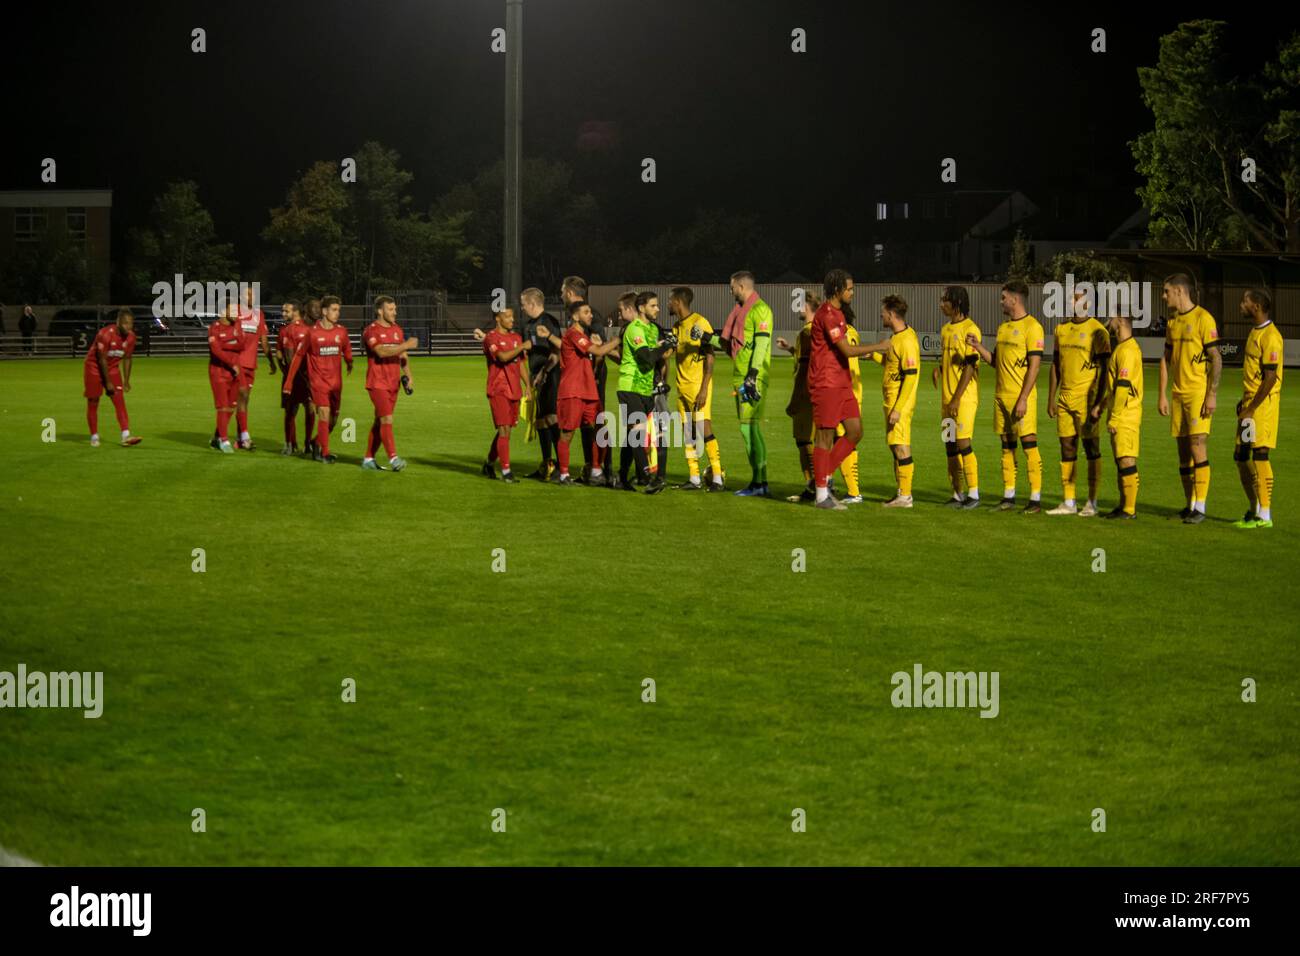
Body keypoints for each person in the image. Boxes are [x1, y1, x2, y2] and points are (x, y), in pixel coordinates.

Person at [965, 280, 1045, 513]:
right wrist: (978, 346)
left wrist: (1023, 398)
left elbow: (1035, 367)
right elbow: (995, 362)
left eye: (1003, 297)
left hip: (1021, 398)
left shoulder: (1033, 327)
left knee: (1029, 446)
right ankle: (1009, 496)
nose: (1000, 301)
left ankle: (1035, 499)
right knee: (1006, 447)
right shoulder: (1004, 328)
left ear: (1014, 299)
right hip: (1001, 396)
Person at [807, 269, 881, 510]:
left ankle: (823, 475)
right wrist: (881, 346)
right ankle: (821, 495)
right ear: (837, 289)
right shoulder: (827, 314)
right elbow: (846, 351)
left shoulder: (838, 313)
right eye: (849, 288)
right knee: (825, 436)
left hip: (841, 382)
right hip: (826, 382)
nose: (852, 292)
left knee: (855, 431)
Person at [1157, 273, 1221, 524]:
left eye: (1166, 291)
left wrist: (1211, 394)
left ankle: (1201, 507)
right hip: (1177, 394)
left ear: (1180, 292)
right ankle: (1189, 504)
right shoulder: (1173, 322)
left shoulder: (1204, 319)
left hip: (1197, 394)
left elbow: (1216, 357)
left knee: (1197, 446)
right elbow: (1165, 358)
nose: (1164, 296)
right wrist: (1162, 394)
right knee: (1183, 452)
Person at [537, 299, 622, 484]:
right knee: (567, 434)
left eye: (590, 312)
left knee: (598, 431)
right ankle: (565, 474)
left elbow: (596, 357)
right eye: (586, 312)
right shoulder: (573, 334)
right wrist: (617, 339)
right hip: (572, 391)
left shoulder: (585, 337)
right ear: (575, 316)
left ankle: (596, 471)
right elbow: (598, 351)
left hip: (589, 391)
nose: (590, 315)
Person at [1046, 290, 1111, 516]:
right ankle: (1069, 501)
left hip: (1086, 399)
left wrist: (1098, 402)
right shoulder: (1061, 329)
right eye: (1070, 298)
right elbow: (1055, 365)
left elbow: (1104, 370)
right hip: (1064, 398)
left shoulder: (1098, 331)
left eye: (1076, 298)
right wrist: (1051, 398)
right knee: (1066, 446)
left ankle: (1092, 501)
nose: (1070, 301)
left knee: (1091, 447)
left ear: (1088, 302)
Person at [859, 295, 921, 507]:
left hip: (898, 404)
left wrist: (898, 408)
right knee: (895, 446)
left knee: (901, 446)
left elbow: (911, 376)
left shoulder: (907, 340)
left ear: (892, 314)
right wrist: (873, 355)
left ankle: (905, 496)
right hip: (891, 402)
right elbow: (890, 364)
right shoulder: (897, 337)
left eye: (883, 312)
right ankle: (901, 492)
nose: (881, 315)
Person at [1232, 289, 1283, 529]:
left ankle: (1265, 515)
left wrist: (1251, 408)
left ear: (1257, 306)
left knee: (1260, 454)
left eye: (1245, 301)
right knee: (1241, 456)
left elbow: (1270, 378)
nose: (1241, 305)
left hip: (1262, 408)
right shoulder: (1254, 331)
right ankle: (1254, 509)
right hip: (1249, 405)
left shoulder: (1271, 336)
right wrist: (1245, 403)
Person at [721, 271, 773, 497]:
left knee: (748, 429)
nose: (731, 291)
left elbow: (761, 345)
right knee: (750, 429)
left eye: (732, 287)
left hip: (752, 378)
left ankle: (759, 482)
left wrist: (752, 375)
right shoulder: (742, 311)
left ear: (741, 286)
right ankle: (759, 482)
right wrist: (706, 338)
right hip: (743, 377)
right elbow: (737, 344)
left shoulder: (760, 309)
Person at [283, 295, 353, 463]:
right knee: (323, 413)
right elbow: (298, 356)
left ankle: (316, 442)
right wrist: (289, 381)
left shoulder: (341, 331)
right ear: (324, 311)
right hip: (318, 382)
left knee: (333, 420)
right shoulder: (312, 333)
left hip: (336, 383)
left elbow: (347, 349)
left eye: (338, 310)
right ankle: (324, 453)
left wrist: (349, 362)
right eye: (334, 310)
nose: (337, 314)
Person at [668, 286, 725, 490]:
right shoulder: (676, 327)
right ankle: (694, 477)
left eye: (670, 300)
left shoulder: (700, 322)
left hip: (697, 386)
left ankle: (717, 477)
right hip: (681, 387)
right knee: (687, 433)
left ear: (678, 302)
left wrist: (704, 388)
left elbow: (710, 355)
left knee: (703, 429)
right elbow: (669, 354)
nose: (668, 304)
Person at [934, 286, 982, 509]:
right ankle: (957, 494)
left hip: (963, 399)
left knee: (963, 442)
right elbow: (950, 362)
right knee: (950, 446)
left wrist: (956, 399)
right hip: (946, 399)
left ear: (957, 303)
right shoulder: (945, 330)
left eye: (945, 300)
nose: (941, 304)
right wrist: (939, 370)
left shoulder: (971, 329)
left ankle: (974, 494)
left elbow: (970, 367)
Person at [1092, 314, 1142, 519]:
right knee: (1121, 460)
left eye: (1111, 319)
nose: (1108, 322)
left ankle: (1129, 510)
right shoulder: (1122, 348)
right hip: (1120, 412)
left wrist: (1115, 418)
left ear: (1121, 321)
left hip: (1126, 415)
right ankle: (1124, 505)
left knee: (1126, 460)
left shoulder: (1128, 351)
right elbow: (1115, 389)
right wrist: (1103, 406)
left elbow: (1123, 387)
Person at [361, 295, 419, 471]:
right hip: (377, 382)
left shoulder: (397, 330)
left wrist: (409, 376)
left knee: (380, 422)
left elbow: (402, 356)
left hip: (393, 383)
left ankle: (368, 459)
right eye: (391, 309)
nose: (395, 312)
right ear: (380, 310)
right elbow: (381, 352)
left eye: (395, 309)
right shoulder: (371, 331)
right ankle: (393, 458)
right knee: (387, 418)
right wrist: (406, 345)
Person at [481, 306, 532, 482]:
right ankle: (506, 472)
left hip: (514, 390)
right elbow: (502, 357)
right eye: (508, 316)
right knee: (503, 430)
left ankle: (489, 463)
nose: (512, 320)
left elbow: (520, 364)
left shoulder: (516, 337)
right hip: (498, 389)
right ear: (498, 318)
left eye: (512, 316)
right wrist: (522, 347)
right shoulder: (491, 338)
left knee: (506, 432)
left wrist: (528, 386)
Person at [777, 291, 818, 500]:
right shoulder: (815, 330)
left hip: (805, 394)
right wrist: (790, 349)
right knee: (808, 441)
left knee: (805, 442)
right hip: (816, 393)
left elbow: (804, 369)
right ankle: (816, 486)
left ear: (806, 306)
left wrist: (795, 400)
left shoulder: (806, 332)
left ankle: (815, 487)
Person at [521, 287, 563, 480]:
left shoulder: (549, 322)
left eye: (523, 305)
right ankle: (547, 465)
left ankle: (562, 468)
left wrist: (544, 372)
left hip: (551, 376)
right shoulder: (529, 325)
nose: (522, 309)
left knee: (552, 419)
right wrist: (530, 382)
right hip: (537, 376)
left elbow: (556, 353)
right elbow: (529, 356)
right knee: (540, 421)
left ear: (532, 303)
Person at [84, 308, 142, 447]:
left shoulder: (131, 337)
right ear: (118, 322)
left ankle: (126, 435)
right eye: (125, 323)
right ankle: (94, 435)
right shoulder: (105, 334)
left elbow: (127, 358)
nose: (128, 327)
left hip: (112, 369)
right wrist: (108, 383)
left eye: (131, 324)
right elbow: (101, 359)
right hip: (94, 367)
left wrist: (127, 380)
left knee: (119, 400)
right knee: (93, 401)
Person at [233, 286, 274, 449]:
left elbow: (264, 342)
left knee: (244, 401)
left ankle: (238, 438)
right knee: (241, 397)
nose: (251, 296)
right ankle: (244, 437)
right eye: (247, 294)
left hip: (251, 365)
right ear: (241, 296)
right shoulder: (234, 312)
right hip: (236, 364)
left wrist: (271, 361)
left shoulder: (259, 314)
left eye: (253, 294)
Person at [276, 300, 314, 455]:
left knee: (291, 412)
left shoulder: (288, 330)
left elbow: (281, 355)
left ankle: (290, 444)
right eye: (283, 311)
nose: (283, 314)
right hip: (307, 378)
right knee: (309, 409)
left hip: (294, 378)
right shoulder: (309, 330)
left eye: (286, 311)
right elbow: (279, 352)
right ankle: (306, 444)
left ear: (296, 312)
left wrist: (285, 371)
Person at [207, 305, 245, 453]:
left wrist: (224, 345)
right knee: (223, 407)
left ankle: (217, 437)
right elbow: (215, 350)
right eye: (233, 311)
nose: (237, 314)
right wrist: (230, 360)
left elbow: (242, 344)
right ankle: (224, 440)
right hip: (219, 372)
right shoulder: (214, 328)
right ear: (223, 312)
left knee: (231, 407)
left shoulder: (237, 325)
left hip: (235, 372)